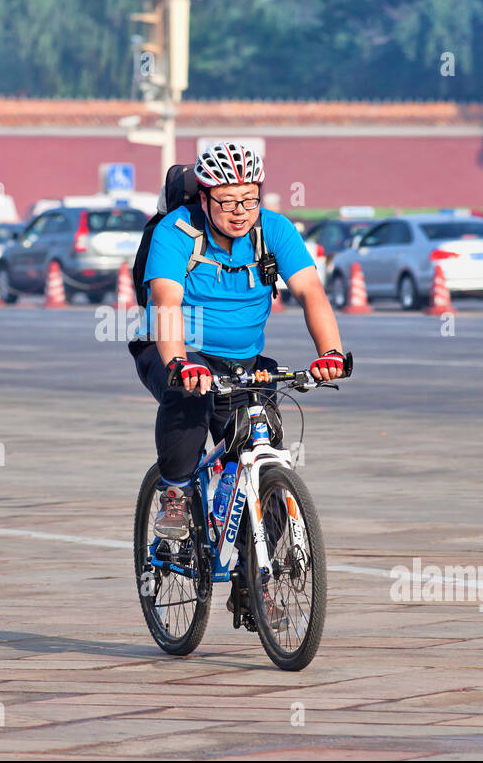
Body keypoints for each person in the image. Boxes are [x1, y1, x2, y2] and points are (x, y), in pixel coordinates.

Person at [133, 142, 347, 547]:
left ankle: (251, 595)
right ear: (204, 197)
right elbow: (166, 302)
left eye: (249, 199)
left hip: (243, 362)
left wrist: (330, 353)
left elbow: (311, 293)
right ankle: (175, 494)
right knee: (188, 396)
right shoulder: (176, 232)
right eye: (227, 201)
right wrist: (179, 361)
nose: (240, 212)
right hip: (173, 347)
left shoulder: (275, 230)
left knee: (266, 473)